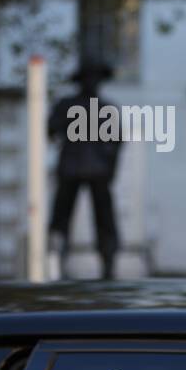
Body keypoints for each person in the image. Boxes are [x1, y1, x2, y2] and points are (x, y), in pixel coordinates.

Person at [46, 58, 122, 279]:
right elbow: (51, 131)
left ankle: (108, 264)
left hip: (94, 171)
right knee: (61, 217)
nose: (92, 82)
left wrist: (110, 170)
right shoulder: (67, 105)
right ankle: (56, 261)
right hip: (74, 169)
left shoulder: (106, 108)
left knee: (104, 219)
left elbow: (116, 143)